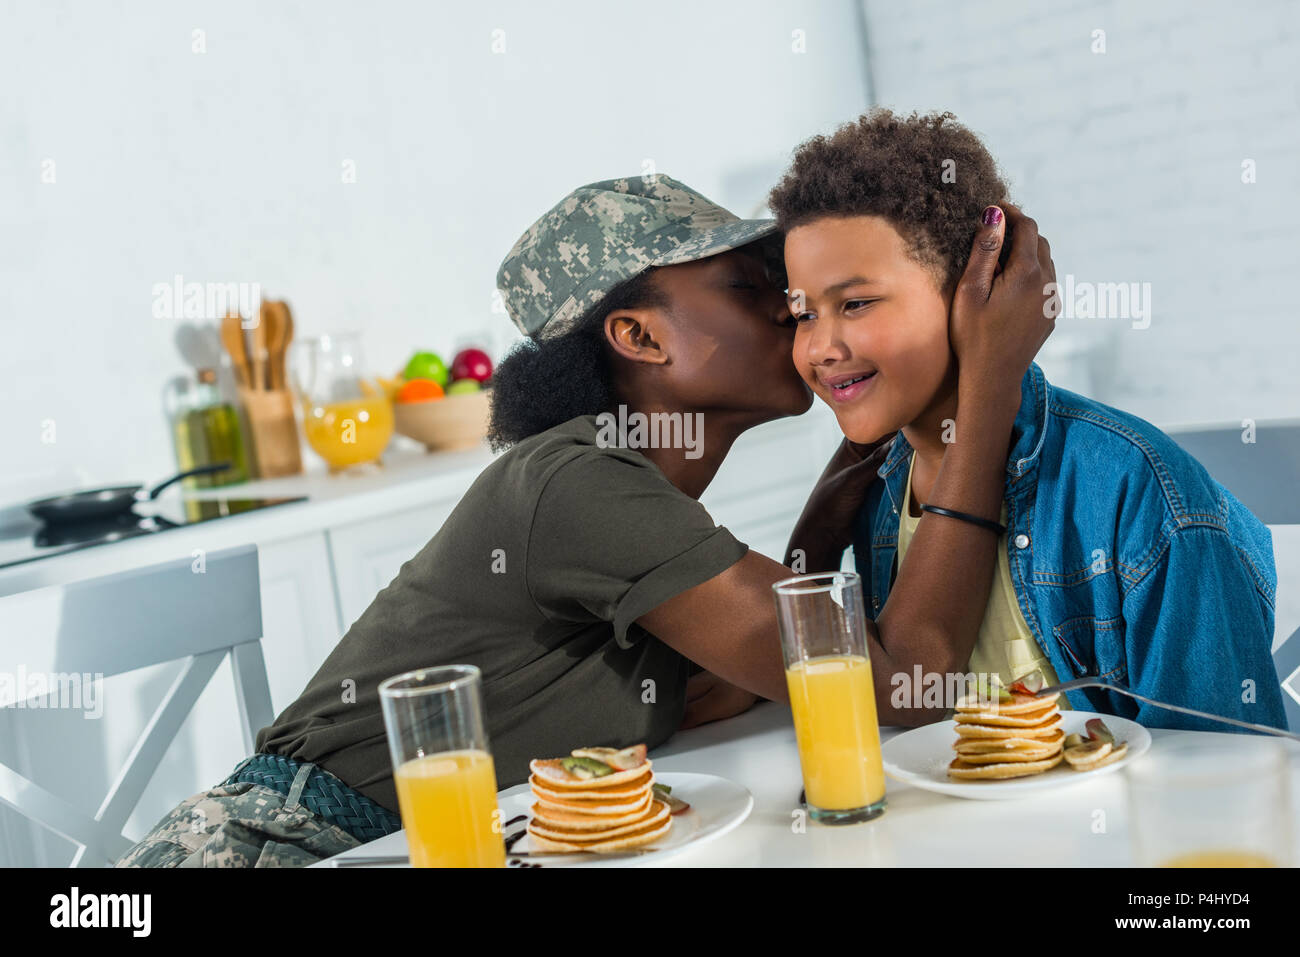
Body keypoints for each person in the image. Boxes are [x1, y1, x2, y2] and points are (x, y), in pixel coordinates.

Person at [116, 173, 1055, 867]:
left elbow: (727, 688)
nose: (791, 304)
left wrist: (836, 496)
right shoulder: (576, 491)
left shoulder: (618, 499)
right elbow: (899, 681)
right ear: (639, 336)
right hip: (285, 849)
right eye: (746, 284)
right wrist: (991, 388)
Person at [771, 109, 1287, 731]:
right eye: (803, 314)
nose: (821, 347)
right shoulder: (877, 492)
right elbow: (899, 710)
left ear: (978, 286)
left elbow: (1223, 773)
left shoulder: (1134, 490)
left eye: (855, 303)